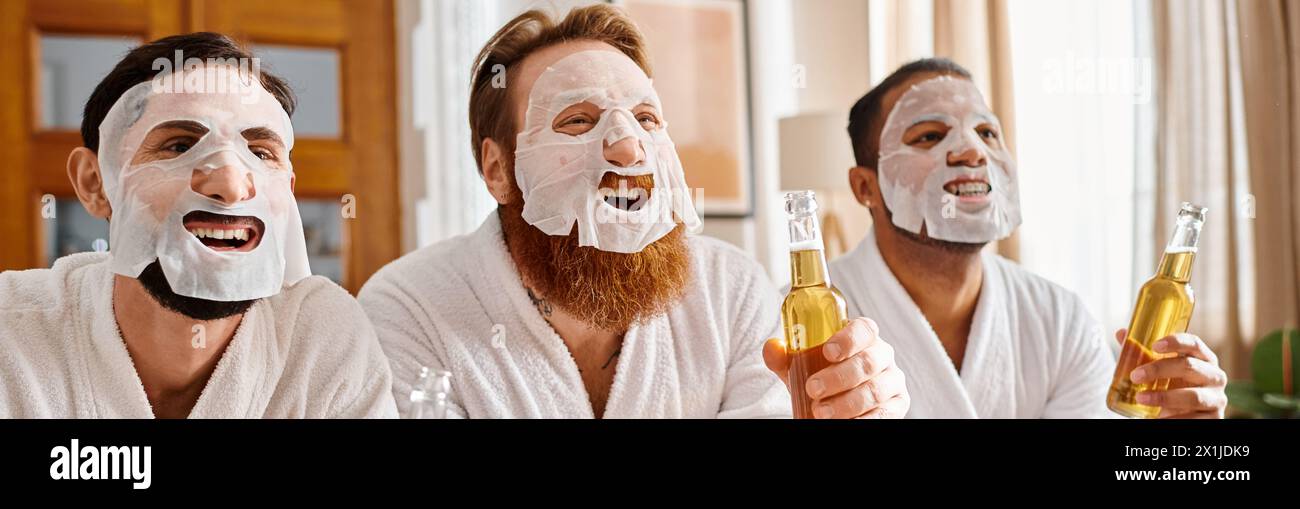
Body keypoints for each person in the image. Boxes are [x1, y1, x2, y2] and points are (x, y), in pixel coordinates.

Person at [360, 5, 908, 419]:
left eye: (646, 118)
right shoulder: (412, 309)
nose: (629, 148)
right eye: (576, 120)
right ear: (497, 170)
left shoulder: (732, 290)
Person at [0, 33, 398, 418]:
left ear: (288, 193)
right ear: (95, 183)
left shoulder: (325, 338)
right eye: (179, 145)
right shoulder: (11, 331)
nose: (230, 184)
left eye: (260, 153)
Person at [831, 58, 1228, 418]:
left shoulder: (1060, 321)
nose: (972, 152)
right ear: (865, 187)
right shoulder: (809, 325)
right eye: (930, 136)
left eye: (986, 132)